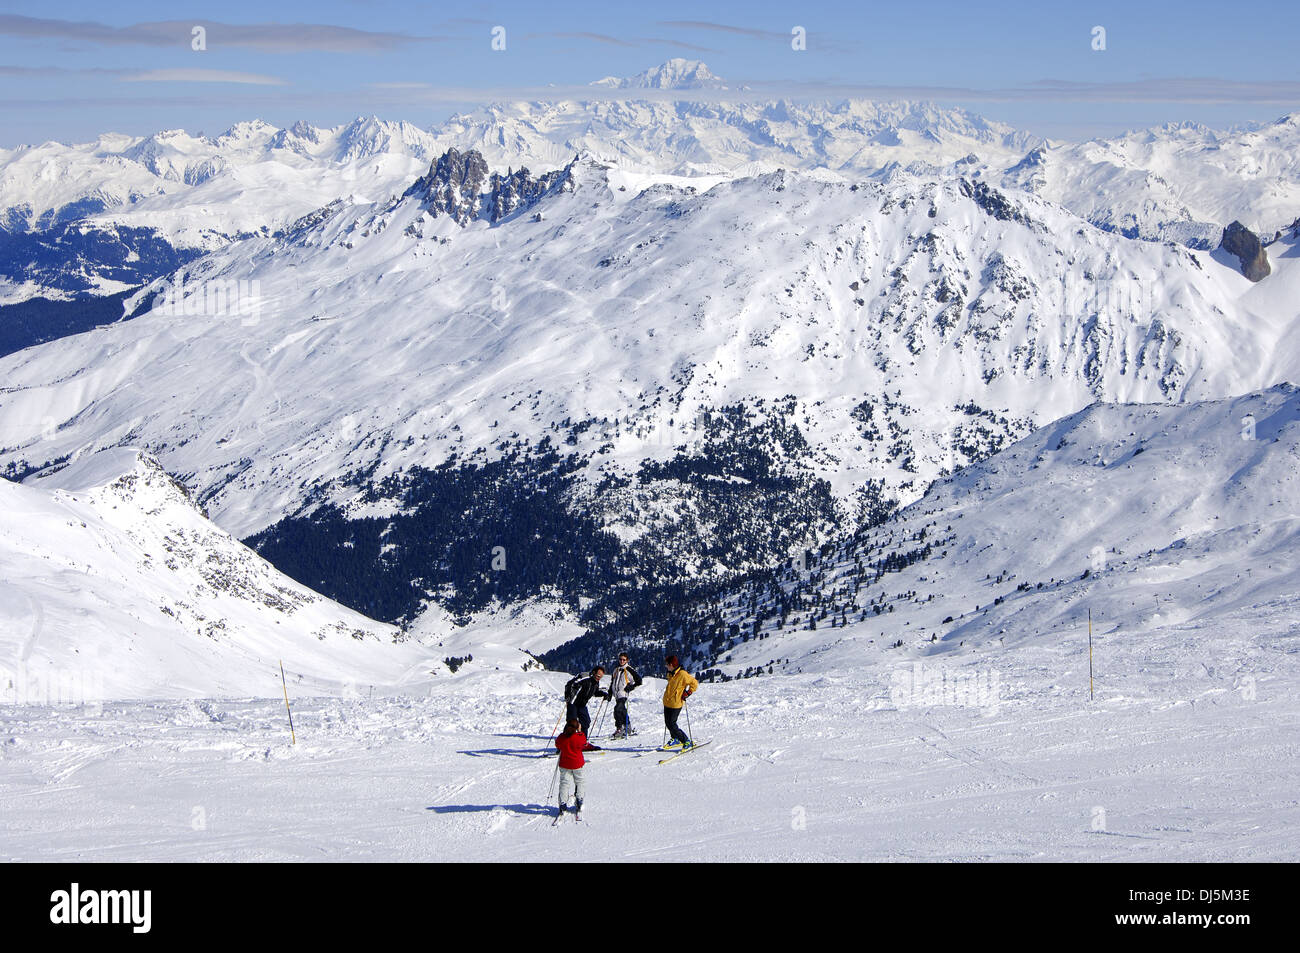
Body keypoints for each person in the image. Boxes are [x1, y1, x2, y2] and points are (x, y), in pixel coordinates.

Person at [661, 655, 699, 750]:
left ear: (671, 665)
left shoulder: (682, 674)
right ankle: (675, 738)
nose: (666, 666)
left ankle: (686, 741)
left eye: (667, 664)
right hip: (667, 702)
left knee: (672, 724)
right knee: (668, 723)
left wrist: (688, 692)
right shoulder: (670, 673)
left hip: (676, 703)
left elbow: (694, 683)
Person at [564, 666, 608, 743]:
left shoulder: (596, 682)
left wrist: (603, 694)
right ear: (594, 672)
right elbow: (570, 684)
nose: (599, 678)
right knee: (572, 723)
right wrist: (569, 697)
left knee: (586, 722)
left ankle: (582, 742)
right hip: (573, 703)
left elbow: (595, 692)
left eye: (601, 677)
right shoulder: (584, 677)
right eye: (598, 676)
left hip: (582, 705)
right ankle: (564, 743)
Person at [554, 719, 587, 819]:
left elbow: (557, 744)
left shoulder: (562, 737)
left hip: (565, 764)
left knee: (564, 783)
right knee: (580, 782)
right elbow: (584, 742)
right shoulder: (579, 737)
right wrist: (580, 731)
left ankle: (563, 804)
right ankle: (579, 801)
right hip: (577, 764)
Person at [609, 652, 643, 740]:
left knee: (617, 709)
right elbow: (612, 682)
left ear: (627, 660)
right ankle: (628, 728)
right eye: (620, 659)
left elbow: (639, 680)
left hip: (623, 694)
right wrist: (609, 692)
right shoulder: (616, 670)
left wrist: (631, 687)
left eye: (624, 659)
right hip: (616, 694)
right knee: (622, 711)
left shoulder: (629, 669)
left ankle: (620, 728)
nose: (621, 661)